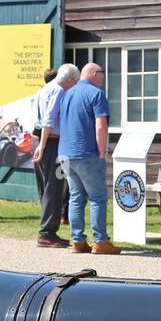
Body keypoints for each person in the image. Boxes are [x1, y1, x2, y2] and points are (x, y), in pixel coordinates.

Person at [57, 63, 116, 254]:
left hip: (66, 153)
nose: (103, 77)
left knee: (76, 197)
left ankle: (78, 241)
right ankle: (100, 241)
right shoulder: (96, 94)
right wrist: (101, 152)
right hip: (87, 152)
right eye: (101, 73)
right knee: (98, 198)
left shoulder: (67, 94)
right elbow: (101, 125)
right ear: (92, 74)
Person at [34, 64, 78, 247]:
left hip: (43, 140)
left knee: (47, 187)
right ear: (68, 79)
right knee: (54, 187)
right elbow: (49, 120)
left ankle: (47, 229)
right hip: (52, 141)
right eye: (74, 82)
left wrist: (40, 145)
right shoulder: (59, 90)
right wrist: (43, 146)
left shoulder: (44, 89)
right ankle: (47, 232)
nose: (74, 86)